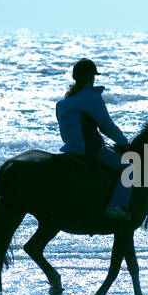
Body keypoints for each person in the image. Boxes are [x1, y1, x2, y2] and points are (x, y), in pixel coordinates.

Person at [56, 59, 132, 220]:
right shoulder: (91, 97)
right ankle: (114, 207)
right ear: (91, 77)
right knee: (130, 169)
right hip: (89, 150)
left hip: (69, 149)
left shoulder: (63, 102)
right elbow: (106, 126)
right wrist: (124, 143)